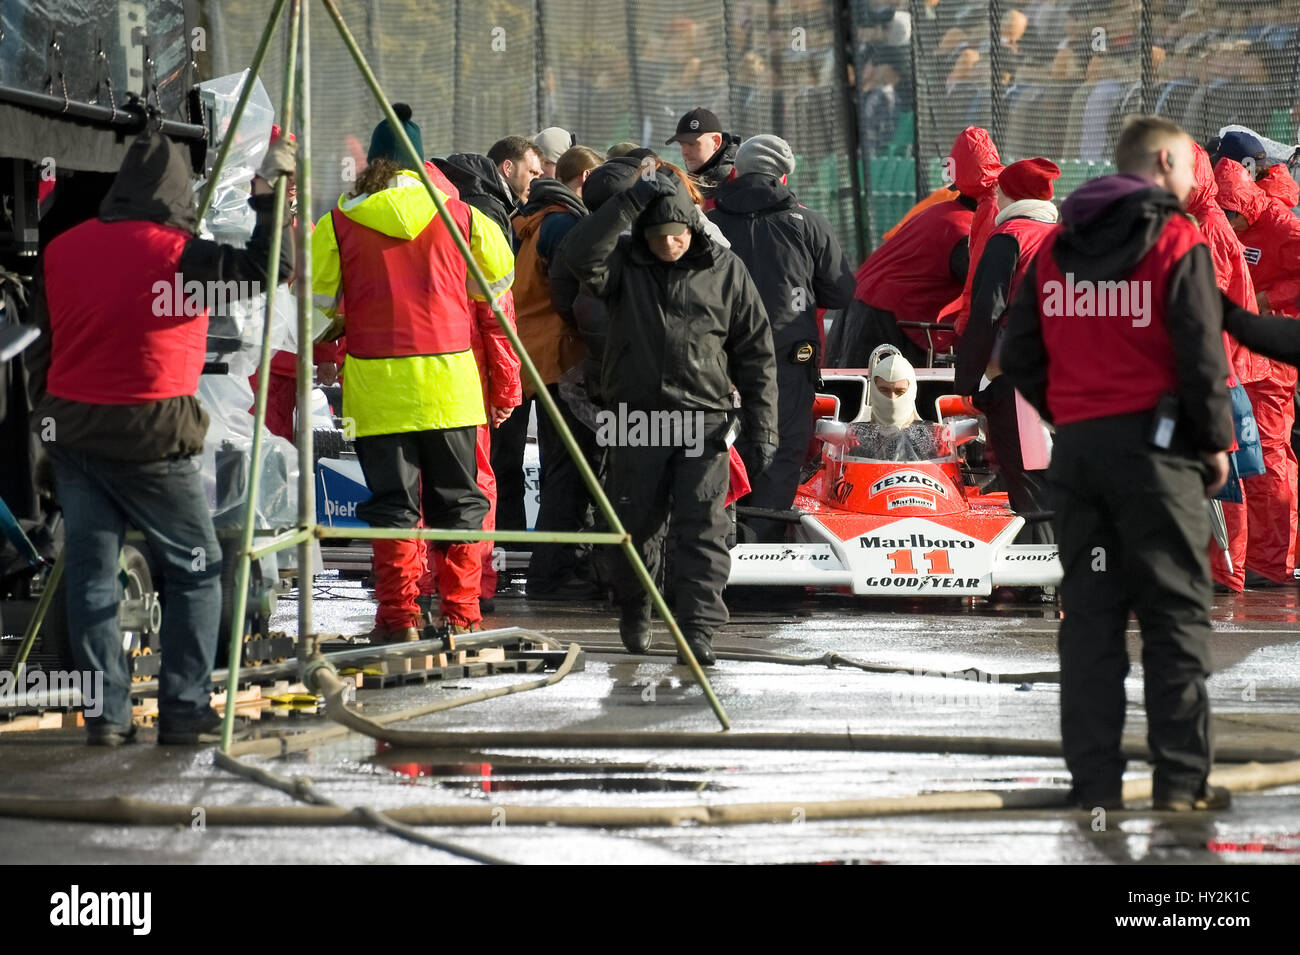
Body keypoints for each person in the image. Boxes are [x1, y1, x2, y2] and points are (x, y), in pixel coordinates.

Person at [27, 130, 294, 745]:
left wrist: (47, 419)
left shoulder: (64, 250)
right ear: (178, 194)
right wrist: (270, 194)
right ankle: (182, 711)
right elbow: (269, 267)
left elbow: (43, 348)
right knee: (197, 569)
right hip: (151, 432)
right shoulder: (179, 255)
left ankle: (107, 719)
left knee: (92, 573)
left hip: (74, 430)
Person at [1001, 116, 1234, 812]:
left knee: (1092, 622)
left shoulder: (1054, 248)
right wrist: (1213, 440)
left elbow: (1019, 355)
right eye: (1194, 166)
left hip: (1079, 456)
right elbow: (1200, 352)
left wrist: (1070, 412)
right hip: (1158, 459)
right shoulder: (1175, 240)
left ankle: (1095, 782)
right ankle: (1181, 783)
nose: (1200, 180)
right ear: (1163, 163)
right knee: (1174, 619)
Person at [564, 166, 777, 664]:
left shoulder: (726, 270)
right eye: (659, 238)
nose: (670, 246)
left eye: (677, 237)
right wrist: (628, 202)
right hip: (636, 420)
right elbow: (578, 255)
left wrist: (763, 429)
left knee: (704, 528)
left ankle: (698, 630)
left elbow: (756, 353)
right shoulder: (621, 265)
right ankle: (636, 606)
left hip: (705, 421)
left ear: (692, 229)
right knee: (634, 527)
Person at [312, 123, 516, 641]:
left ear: (371, 166)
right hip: (451, 389)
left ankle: (398, 618)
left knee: (393, 507)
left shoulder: (336, 224)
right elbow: (494, 294)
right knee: (462, 504)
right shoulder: (468, 219)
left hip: (376, 391)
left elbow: (316, 311)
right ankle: (461, 615)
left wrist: (337, 337)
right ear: (422, 165)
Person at [708, 134, 855, 540]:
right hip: (788, 358)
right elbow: (841, 291)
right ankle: (764, 556)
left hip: (718, 360)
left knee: (719, 448)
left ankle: (721, 550)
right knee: (780, 451)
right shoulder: (807, 223)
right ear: (784, 177)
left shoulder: (708, 222)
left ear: (737, 170)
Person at [508, 144, 604, 599]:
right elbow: (573, 295)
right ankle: (555, 574)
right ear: (585, 179)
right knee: (569, 469)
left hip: (539, 358)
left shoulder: (535, 220)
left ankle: (556, 569)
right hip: (563, 359)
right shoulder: (565, 223)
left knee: (560, 467)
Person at [826, 127, 998, 368]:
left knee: (857, 398)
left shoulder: (939, 211)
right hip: (885, 319)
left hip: (862, 306)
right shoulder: (964, 229)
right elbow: (985, 288)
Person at [955, 158, 1060, 543]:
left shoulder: (1010, 237)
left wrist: (967, 378)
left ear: (1011, 194)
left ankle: (1042, 583)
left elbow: (987, 311)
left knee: (1030, 477)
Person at [1214, 156, 1300, 587]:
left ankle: (1272, 563)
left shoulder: (1284, 226)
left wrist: (1270, 298)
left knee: (1268, 459)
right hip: (1247, 354)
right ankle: (1254, 560)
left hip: (1274, 356)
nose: (1228, 224)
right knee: (1256, 460)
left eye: (1232, 216)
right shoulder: (1230, 223)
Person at [1184, 142, 1260, 594]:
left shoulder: (1207, 228)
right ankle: (1223, 568)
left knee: (1223, 477)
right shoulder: (1204, 222)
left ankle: (1225, 571)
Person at [849, 346, 946, 461]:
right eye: (884, 390)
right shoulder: (853, 436)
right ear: (873, 390)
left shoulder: (934, 436)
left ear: (911, 391)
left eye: (900, 392)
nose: (892, 398)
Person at [664, 107, 740, 198]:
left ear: (716, 142)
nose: (684, 152)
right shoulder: (684, 185)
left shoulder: (738, 179)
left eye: (691, 144)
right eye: (682, 145)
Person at [487, 135, 545, 208]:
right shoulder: (487, 207)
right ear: (508, 168)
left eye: (539, 176)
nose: (537, 182)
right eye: (532, 172)